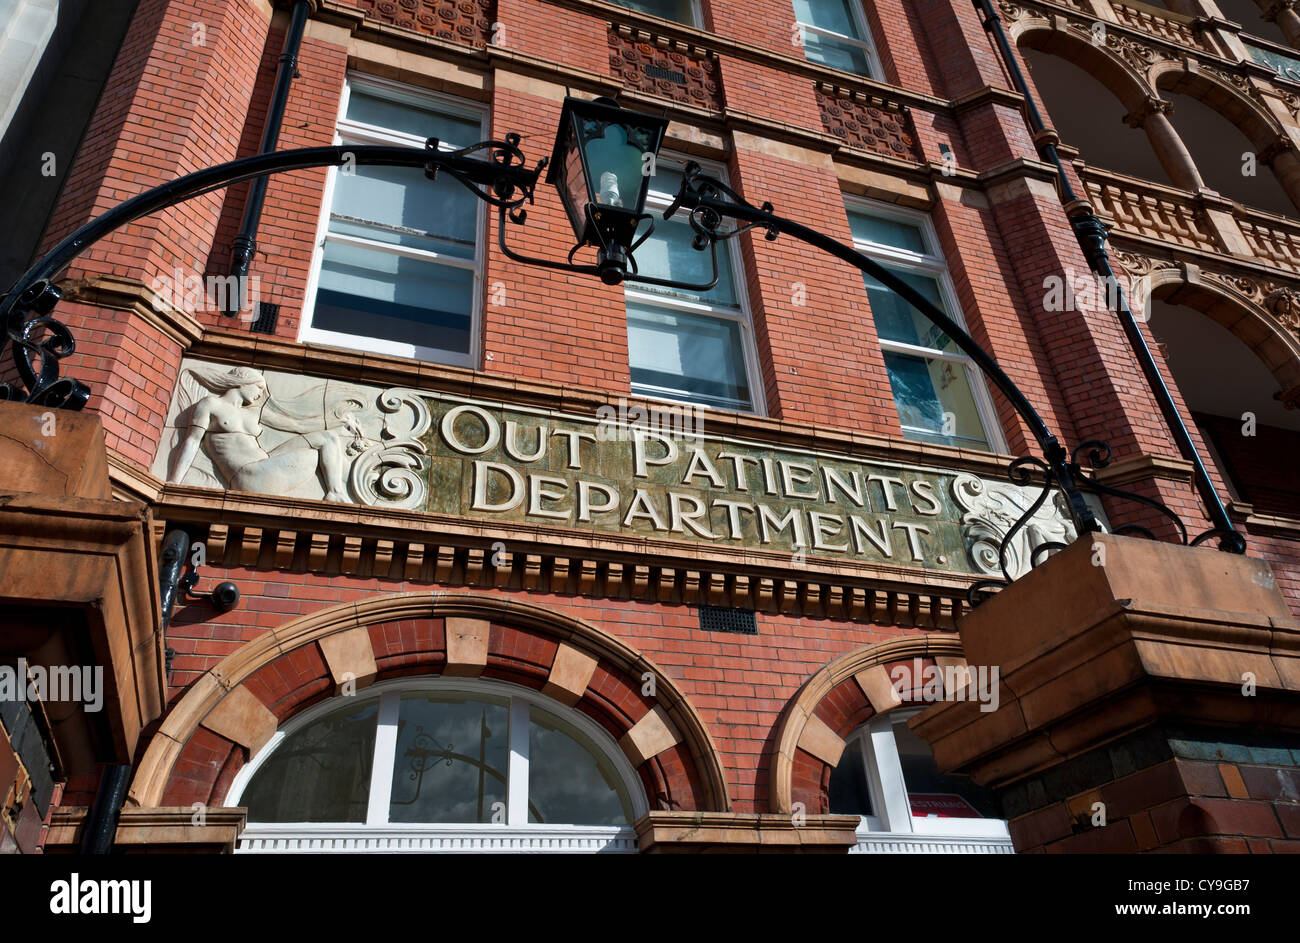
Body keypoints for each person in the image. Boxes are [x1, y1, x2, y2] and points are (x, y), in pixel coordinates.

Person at [167, 366, 360, 502]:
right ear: (243, 382)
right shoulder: (211, 405)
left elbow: (297, 425)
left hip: (266, 463)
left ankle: (336, 492)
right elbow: (191, 442)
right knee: (317, 454)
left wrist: (340, 421)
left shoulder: (253, 413)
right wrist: (175, 481)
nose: (260, 393)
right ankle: (345, 489)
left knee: (328, 438)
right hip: (248, 475)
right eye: (258, 387)